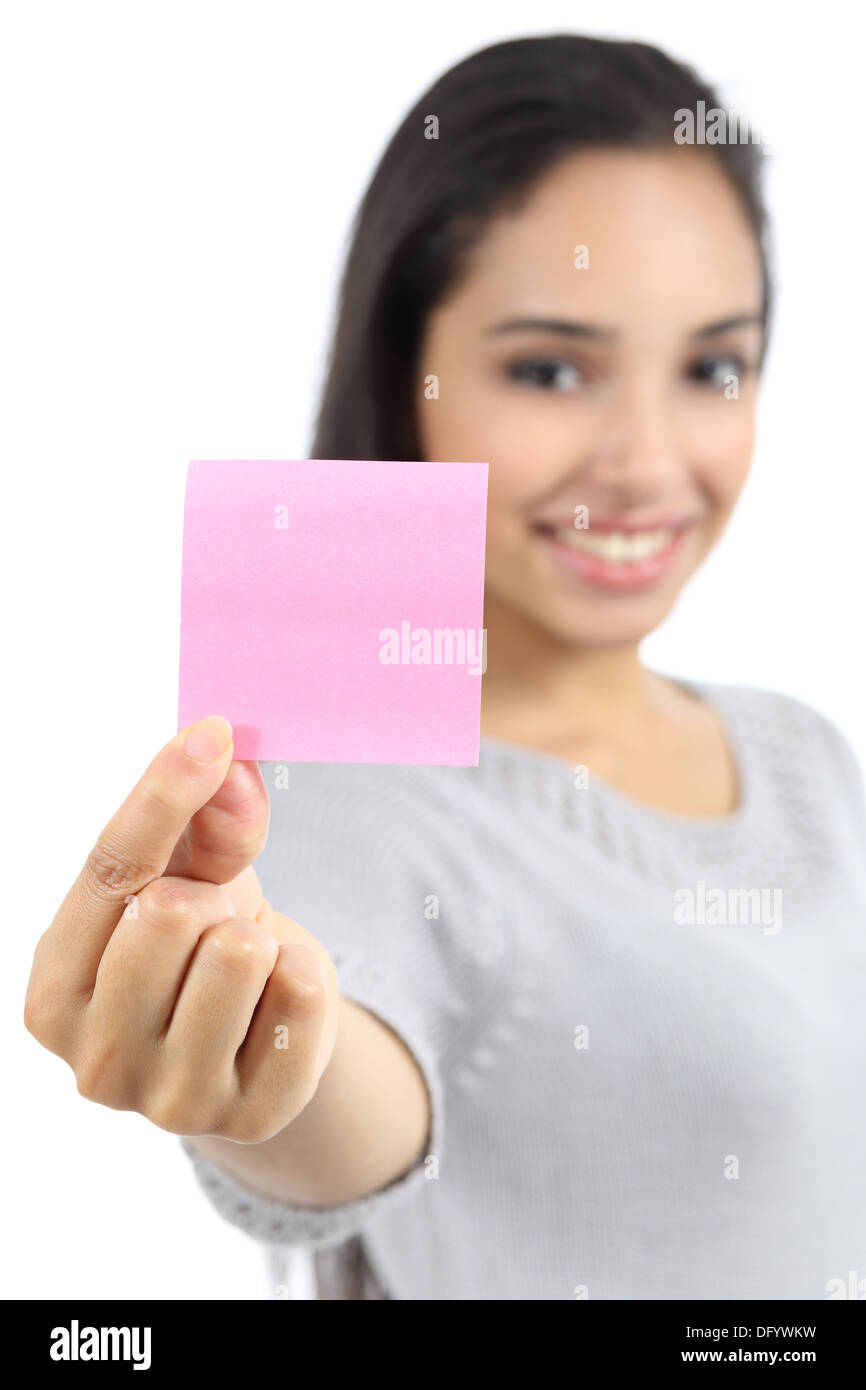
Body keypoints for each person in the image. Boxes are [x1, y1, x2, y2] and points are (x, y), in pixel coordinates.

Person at [25, 34, 866, 1300]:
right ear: (404, 376)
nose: (645, 457)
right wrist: (265, 1058)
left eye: (710, 365)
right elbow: (346, 1072)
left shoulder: (800, 751)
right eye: (548, 369)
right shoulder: (351, 798)